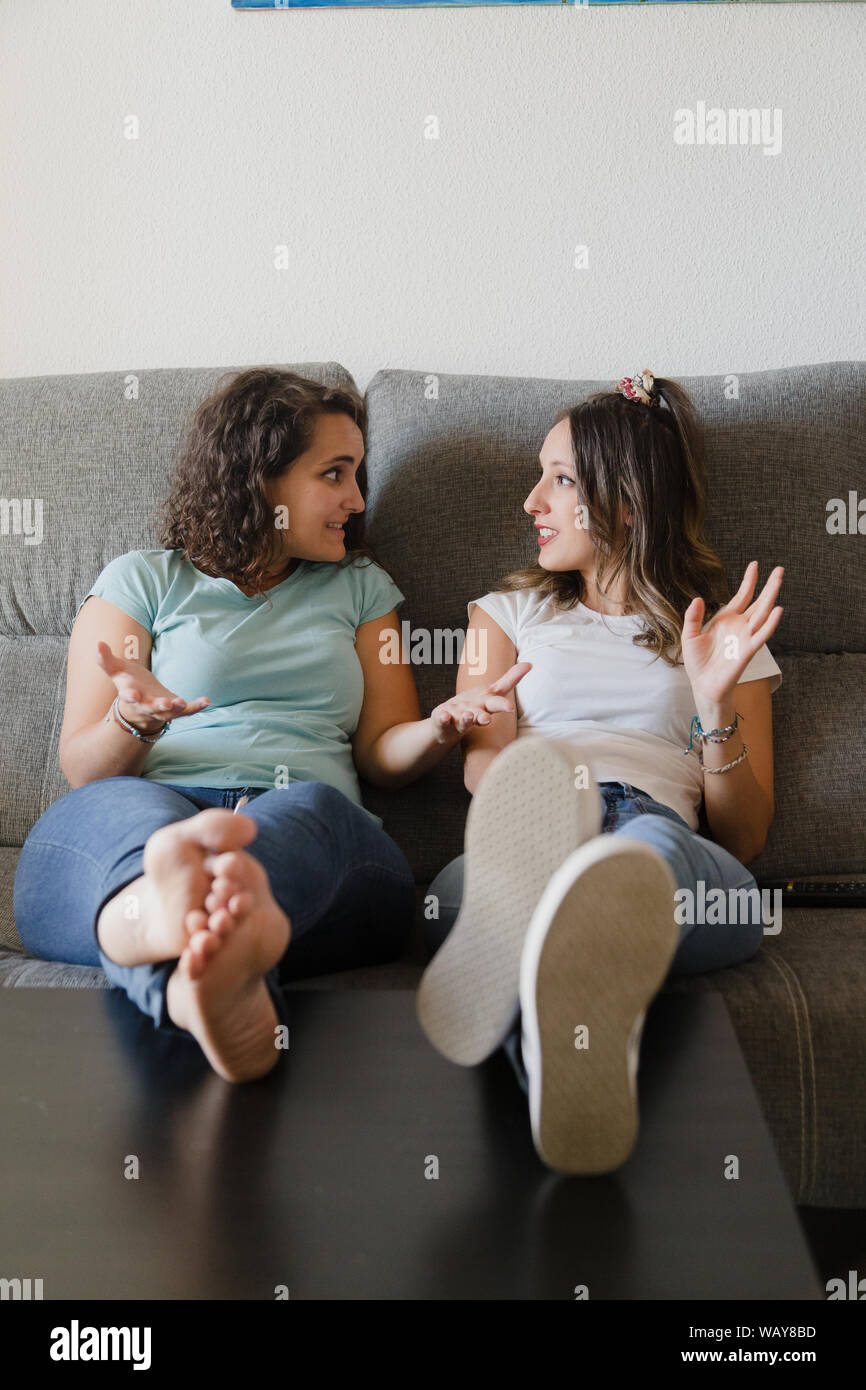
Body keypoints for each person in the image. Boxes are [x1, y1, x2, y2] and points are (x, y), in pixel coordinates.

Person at [13, 368, 524, 1084]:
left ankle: (188, 917)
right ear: (260, 480)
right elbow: (84, 769)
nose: (356, 498)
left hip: (308, 833)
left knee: (310, 808)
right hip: (149, 811)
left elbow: (381, 755)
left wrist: (437, 729)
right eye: (334, 474)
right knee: (123, 817)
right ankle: (200, 962)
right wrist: (134, 718)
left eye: (359, 474)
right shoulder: (141, 581)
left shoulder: (360, 589)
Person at [414, 369, 785, 1177]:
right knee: (457, 892)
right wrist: (532, 783)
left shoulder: (723, 638)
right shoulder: (502, 616)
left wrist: (715, 698)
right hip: (537, 824)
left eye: (559, 479)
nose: (531, 502)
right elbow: (488, 781)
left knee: (668, 863)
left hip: (659, 826)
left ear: (624, 501)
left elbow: (745, 836)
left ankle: (573, 927)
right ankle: (571, 994)